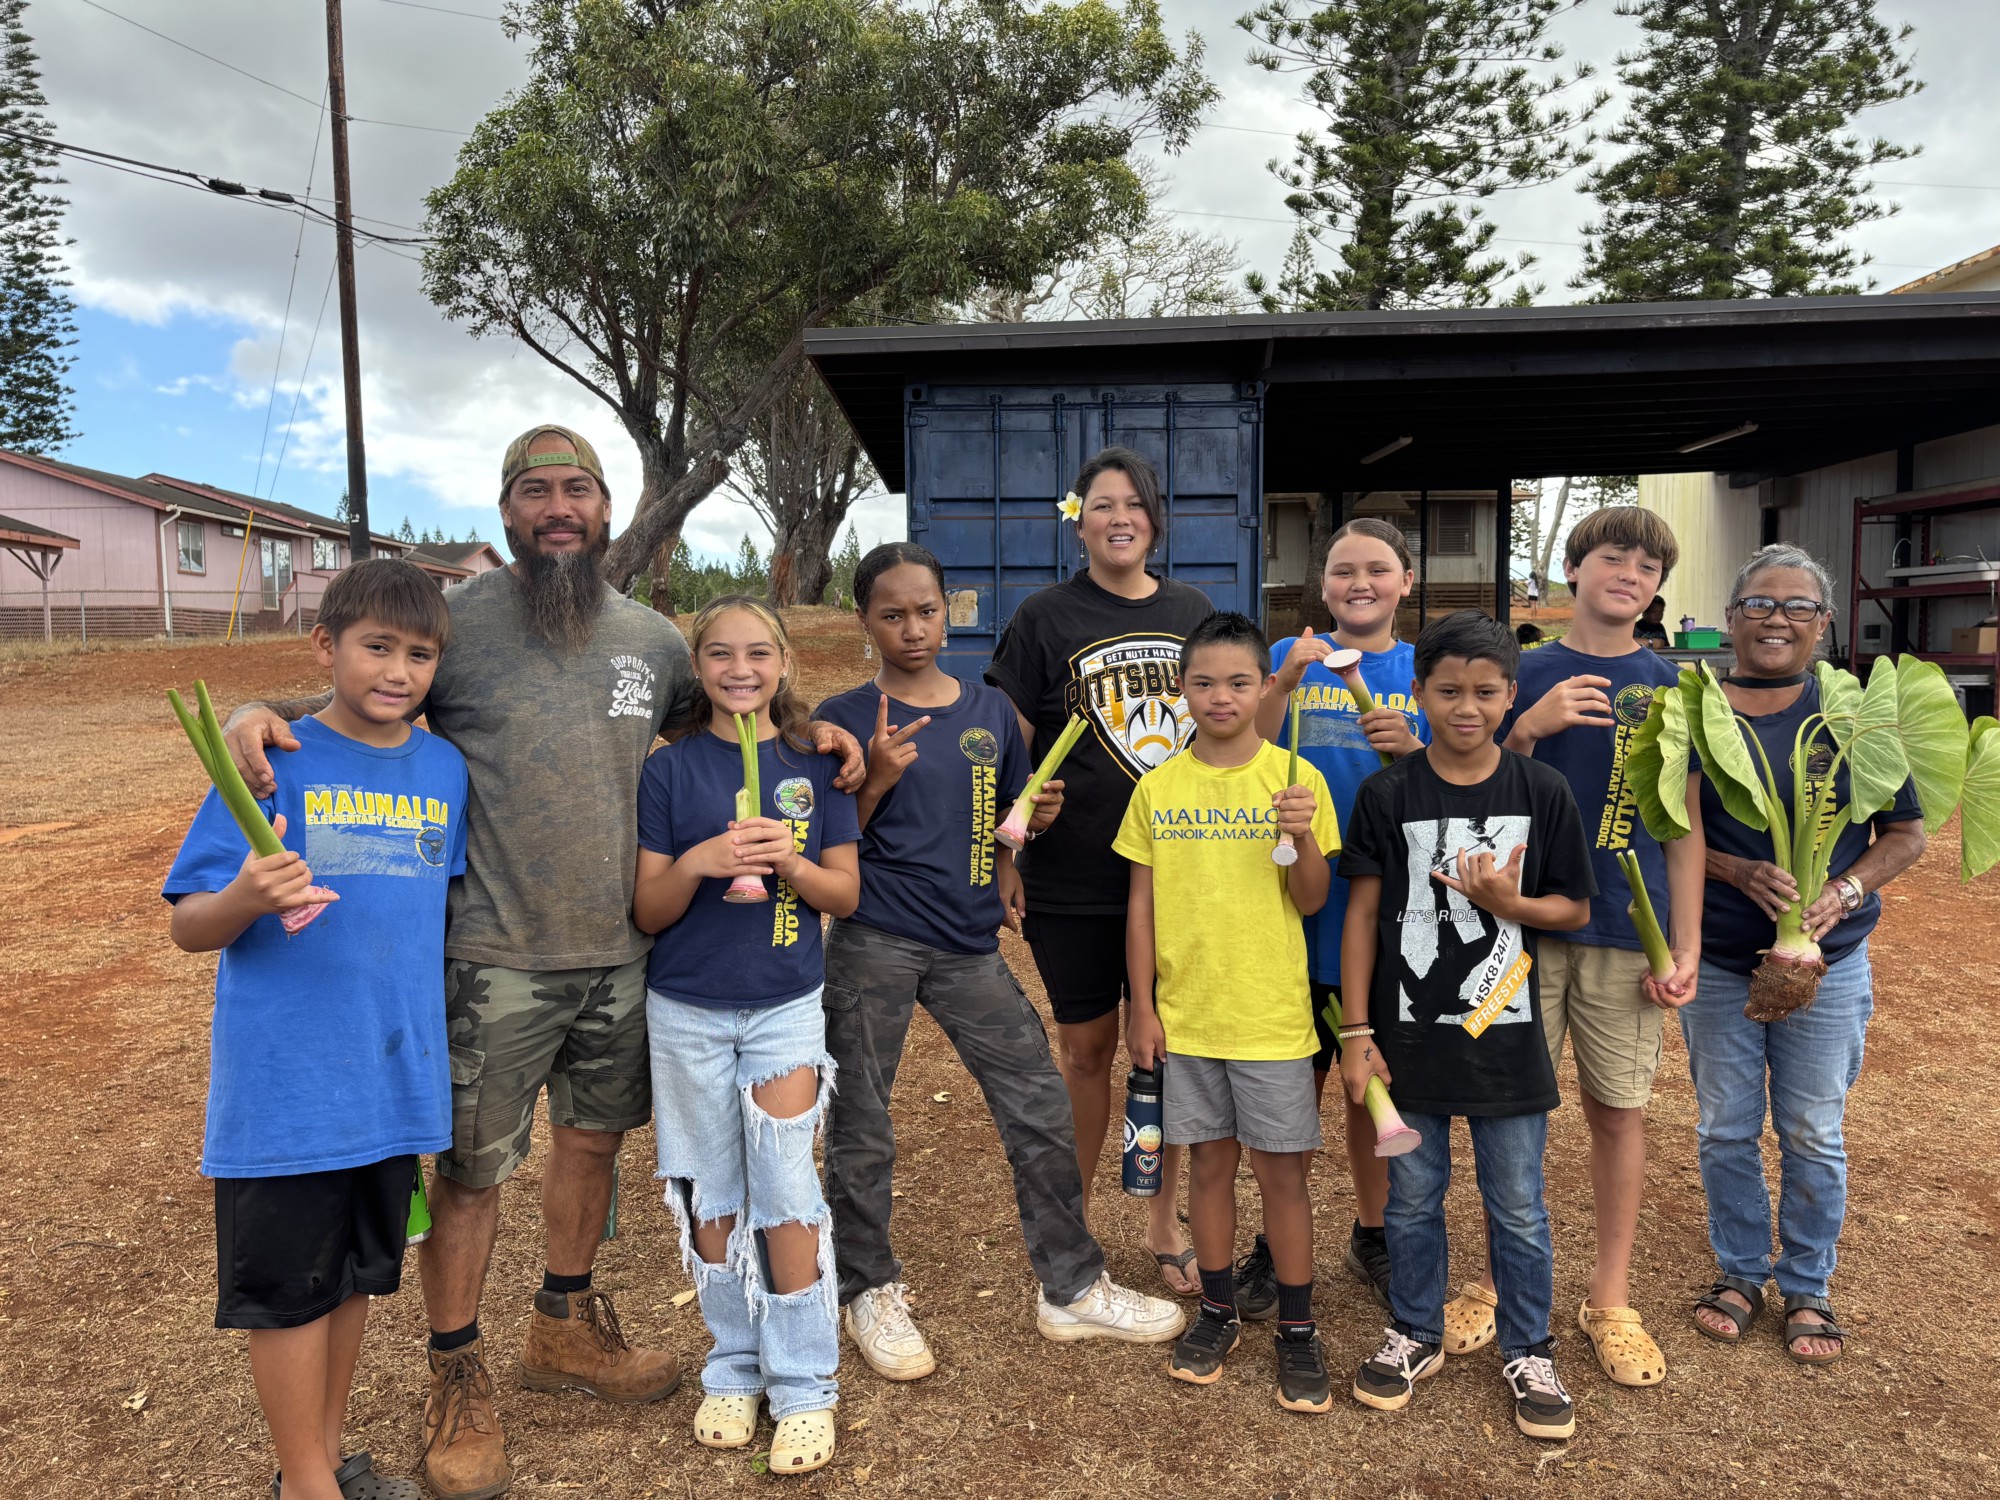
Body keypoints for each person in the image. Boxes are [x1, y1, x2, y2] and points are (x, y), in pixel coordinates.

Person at [221, 426, 863, 1500]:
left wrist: (822, 736)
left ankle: (562, 1323)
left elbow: (735, 711)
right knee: (473, 1172)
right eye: (534, 490)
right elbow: (368, 691)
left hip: (623, 953)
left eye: (577, 489)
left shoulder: (653, 641)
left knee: (592, 1141)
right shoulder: (458, 624)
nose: (557, 507)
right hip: (493, 952)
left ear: (607, 510)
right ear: (506, 510)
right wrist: (260, 712)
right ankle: (455, 1369)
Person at [815, 544, 1185, 1382]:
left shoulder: (986, 710)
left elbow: (1005, 818)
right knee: (862, 1123)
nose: (913, 628)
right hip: (874, 939)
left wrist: (1028, 833)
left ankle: (1072, 1287)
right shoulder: (845, 715)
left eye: (926, 610)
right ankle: (868, 1288)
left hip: (966, 941)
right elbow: (829, 838)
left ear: (949, 612)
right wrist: (873, 781)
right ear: (864, 621)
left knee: (1040, 1104)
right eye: (892, 615)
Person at [165, 559, 468, 1500]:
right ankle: (304, 1482)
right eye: (377, 647)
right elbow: (189, 925)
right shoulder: (272, 762)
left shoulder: (445, 769)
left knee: (353, 1280)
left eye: (420, 655)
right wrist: (244, 897)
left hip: (390, 1081)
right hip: (288, 1089)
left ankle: (324, 1460)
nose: (398, 672)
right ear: (323, 646)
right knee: (291, 1294)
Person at [1338, 611, 1596, 1440]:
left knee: (1517, 1203)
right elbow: (1361, 915)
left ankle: (1529, 1348)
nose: (1466, 707)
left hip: (1507, 1043)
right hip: (1407, 1037)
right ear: (1417, 693)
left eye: (1485, 692)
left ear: (1511, 695)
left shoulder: (1541, 791)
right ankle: (1415, 1331)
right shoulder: (1387, 794)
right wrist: (1355, 1033)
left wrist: (1508, 904)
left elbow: (1573, 907)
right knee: (1413, 1198)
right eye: (1448, 690)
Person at [634, 597, 861, 1474]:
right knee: (712, 1195)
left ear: (785, 661)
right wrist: (700, 862)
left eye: (758, 653)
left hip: (782, 1008)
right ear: (698, 667)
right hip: (685, 1009)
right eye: (721, 654)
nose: (740, 669)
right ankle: (734, 1363)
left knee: (786, 1187)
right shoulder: (670, 770)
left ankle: (804, 1383)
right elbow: (649, 910)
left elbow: (844, 895)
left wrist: (789, 861)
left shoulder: (813, 763)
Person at [1479, 507, 1705, 1389]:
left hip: (1622, 933)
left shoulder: (1672, 689)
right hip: (1521, 926)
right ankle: (1495, 1281)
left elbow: (1681, 826)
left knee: (1618, 1112)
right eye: (1614, 557)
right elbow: (1469, 790)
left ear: (1657, 589)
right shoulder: (1521, 672)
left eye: (1648, 567)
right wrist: (1525, 729)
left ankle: (1609, 1297)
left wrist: (1682, 945)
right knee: (1509, 1115)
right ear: (1573, 569)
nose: (1630, 574)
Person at [1684, 545, 1925, 1365]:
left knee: (1813, 1129)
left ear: (1823, 624)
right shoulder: (1696, 710)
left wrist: (1846, 890)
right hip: (1723, 955)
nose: (1776, 618)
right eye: (1759, 603)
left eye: (1797, 606)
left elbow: (1905, 834)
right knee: (1725, 1127)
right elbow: (1666, 827)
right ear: (1731, 619)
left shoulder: (1852, 715)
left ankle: (1809, 1283)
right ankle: (1741, 1271)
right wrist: (1736, 869)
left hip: (1825, 956)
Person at [984, 445, 1214, 1294]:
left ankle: (1162, 1217)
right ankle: (1073, 1229)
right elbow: (1010, 744)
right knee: (1086, 1052)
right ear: (1078, 521)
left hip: (1180, 875)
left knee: (1170, 1055)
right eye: (1102, 505)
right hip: (1073, 874)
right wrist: (1005, 848)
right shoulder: (1044, 616)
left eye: (1134, 504)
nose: (1119, 518)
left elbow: (1227, 726)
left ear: (1155, 520)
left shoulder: (1193, 610)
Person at [1119, 611, 1342, 1411]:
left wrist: (1303, 837)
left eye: (1240, 682)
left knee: (1282, 1175)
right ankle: (1217, 1311)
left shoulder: (1295, 779)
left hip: (1271, 1019)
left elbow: (1311, 899)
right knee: (1209, 1169)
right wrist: (1142, 1009)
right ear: (1181, 690)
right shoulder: (1157, 787)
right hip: (1187, 1019)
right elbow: (1140, 909)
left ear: (1265, 685)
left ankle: (1298, 1327)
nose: (1221, 696)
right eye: (1205, 682)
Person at [1257, 518, 1429, 1314]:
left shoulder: (1424, 670)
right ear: (1321, 586)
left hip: (1385, 908)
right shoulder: (1290, 655)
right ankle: (1274, 1241)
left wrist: (1412, 752)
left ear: (1406, 582)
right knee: (1292, 1086)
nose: (1360, 583)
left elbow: (1457, 776)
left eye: (1378, 569)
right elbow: (1242, 743)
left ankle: (1374, 1231)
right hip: (1295, 902)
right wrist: (1284, 681)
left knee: (1370, 1083)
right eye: (1343, 570)